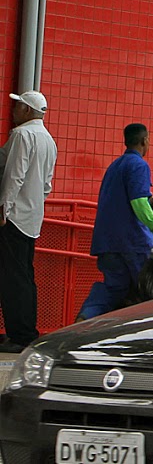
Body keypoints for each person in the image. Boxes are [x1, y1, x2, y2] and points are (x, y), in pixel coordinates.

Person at [78, 123, 153, 320]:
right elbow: (139, 201)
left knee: (113, 287)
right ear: (145, 140)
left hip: (106, 242)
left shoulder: (114, 166)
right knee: (146, 290)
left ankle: (88, 314)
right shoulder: (139, 165)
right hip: (132, 241)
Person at [0, 91, 57, 351]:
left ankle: (19, 334)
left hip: (13, 218)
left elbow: (14, 176)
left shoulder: (23, 135)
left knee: (12, 277)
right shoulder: (48, 140)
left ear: (26, 110)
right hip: (32, 218)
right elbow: (46, 186)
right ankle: (25, 330)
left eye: (18, 105)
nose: (13, 110)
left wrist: (4, 208)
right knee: (24, 275)